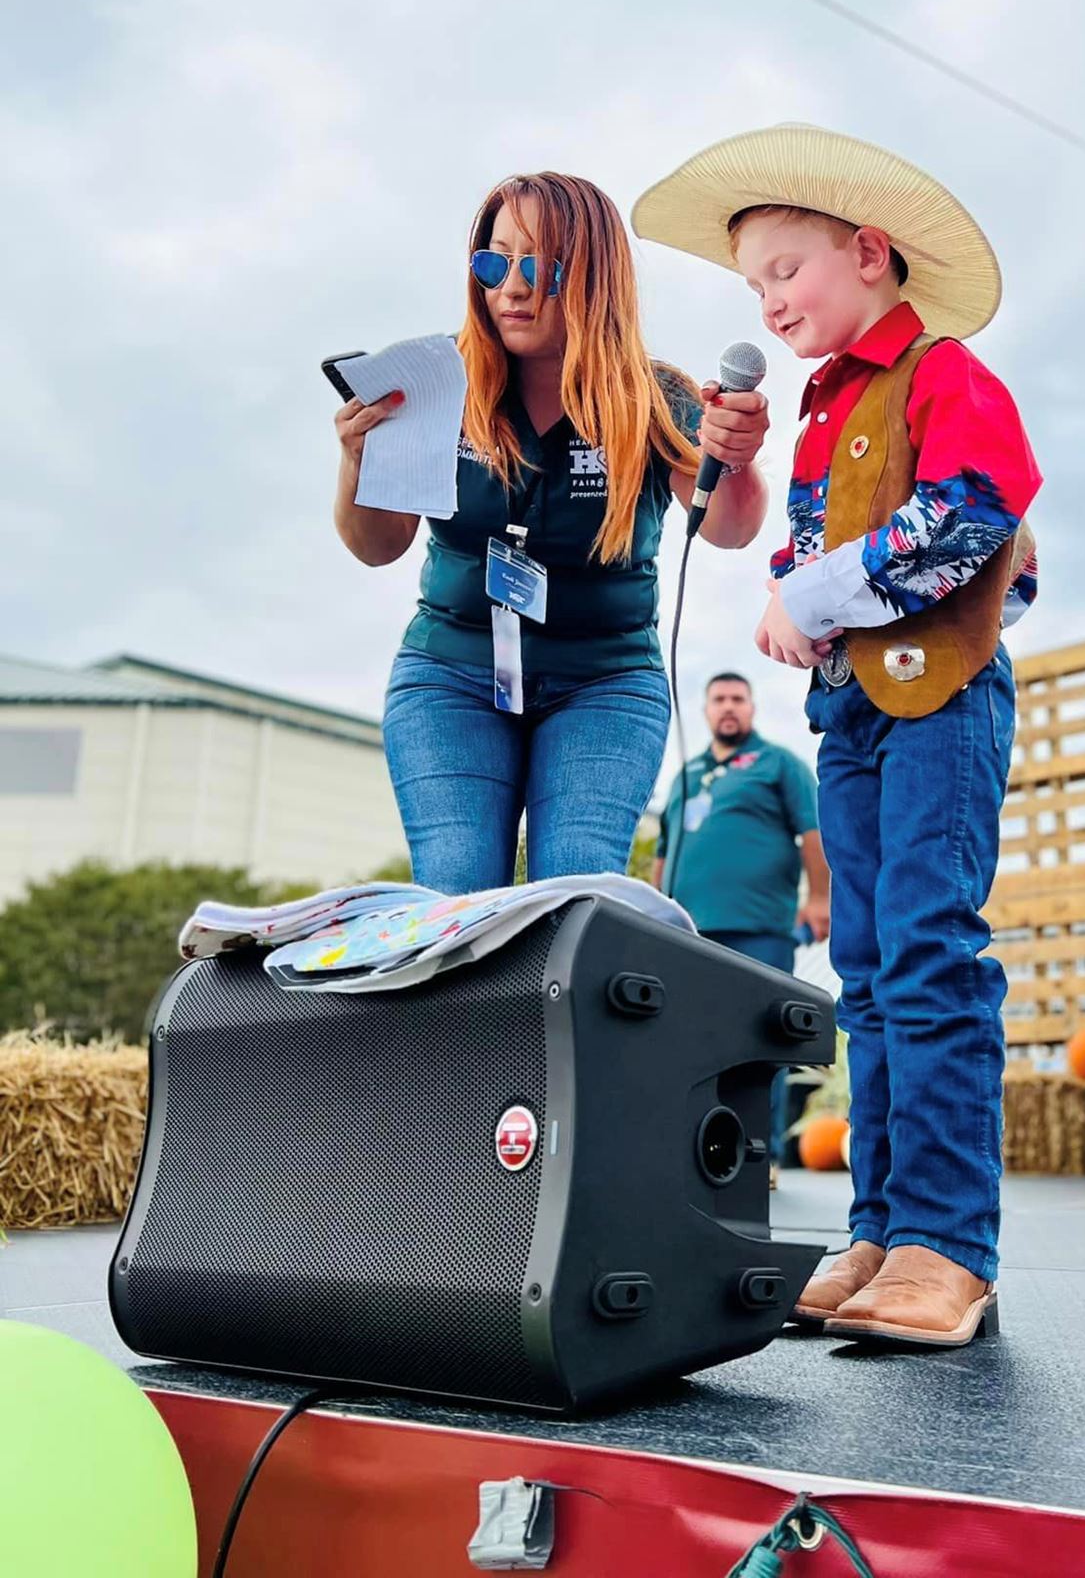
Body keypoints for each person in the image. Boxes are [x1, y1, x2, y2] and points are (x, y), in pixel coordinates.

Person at [633, 125, 1040, 1349]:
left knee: (926, 951)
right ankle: (882, 1222)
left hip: (941, 700)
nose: (769, 298)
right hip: (854, 711)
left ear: (870, 254)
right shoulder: (820, 411)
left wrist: (810, 598)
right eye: (755, 283)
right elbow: (819, 552)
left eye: (787, 270)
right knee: (864, 969)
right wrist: (806, 605)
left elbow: (982, 518)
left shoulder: (944, 373)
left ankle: (949, 1243)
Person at [333, 172, 769, 892]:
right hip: (451, 671)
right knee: (455, 895)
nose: (510, 286)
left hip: (604, 679)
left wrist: (739, 459)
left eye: (537, 266)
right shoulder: (438, 381)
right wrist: (357, 460)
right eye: (492, 263)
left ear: (595, 276)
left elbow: (729, 528)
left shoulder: (659, 396)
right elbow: (377, 545)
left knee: (575, 891)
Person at [652, 670, 830, 1180]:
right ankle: (691, 1155)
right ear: (706, 710)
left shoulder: (778, 765)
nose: (728, 707)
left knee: (758, 1040)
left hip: (761, 927)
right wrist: (652, 912)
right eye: (719, 699)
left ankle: (758, 1157)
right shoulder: (686, 775)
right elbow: (664, 854)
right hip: (688, 931)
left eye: (738, 699)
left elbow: (814, 833)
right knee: (688, 1043)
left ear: (751, 708)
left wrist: (820, 899)